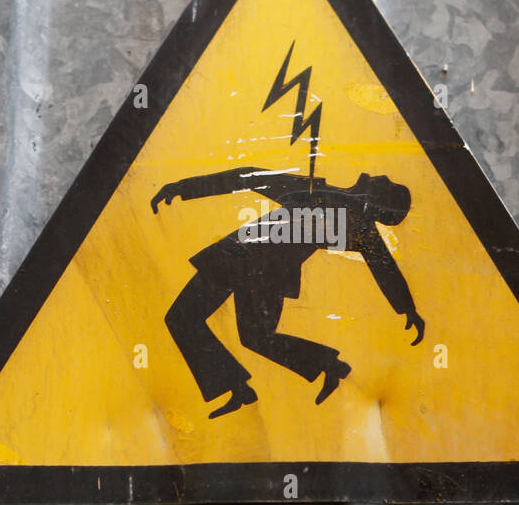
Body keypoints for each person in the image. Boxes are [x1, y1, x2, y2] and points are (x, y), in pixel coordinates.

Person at [151, 167, 424, 417]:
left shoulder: (333, 207)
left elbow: (247, 178)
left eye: (386, 183)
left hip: (239, 260)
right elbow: (248, 178)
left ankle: (251, 383)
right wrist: (183, 187)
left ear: (377, 201)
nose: (380, 175)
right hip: (263, 272)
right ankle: (320, 367)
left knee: (186, 318)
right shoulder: (351, 222)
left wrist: (181, 187)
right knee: (255, 337)